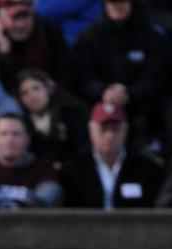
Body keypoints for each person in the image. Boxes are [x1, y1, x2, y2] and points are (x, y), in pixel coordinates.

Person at [70, 0, 166, 142]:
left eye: (121, 2)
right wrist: (103, 91)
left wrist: (129, 93)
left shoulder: (150, 36)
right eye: (112, 2)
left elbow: (157, 76)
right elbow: (81, 76)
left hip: (142, 108)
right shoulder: (89, 37)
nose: (117, 6)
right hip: (97, 106)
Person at [59, 99, 163, 208]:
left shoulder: (147, 169)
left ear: (125, 129)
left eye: (115, 129)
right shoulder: (72, 170)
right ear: (91, 129)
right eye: (103, 129)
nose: (110, 136)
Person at [0, 0, 71, 94]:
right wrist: (3, 53)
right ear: (1, 16)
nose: (21, 25)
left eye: (25, 17)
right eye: (15, 18)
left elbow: (63, 72)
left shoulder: (49, 32)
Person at [14, 67, 88, 164]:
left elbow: (83, 148)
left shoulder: (70, 112)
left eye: (36, 88)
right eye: (25, 93)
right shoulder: (21, 123)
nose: (32, 96)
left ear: (47, 88)